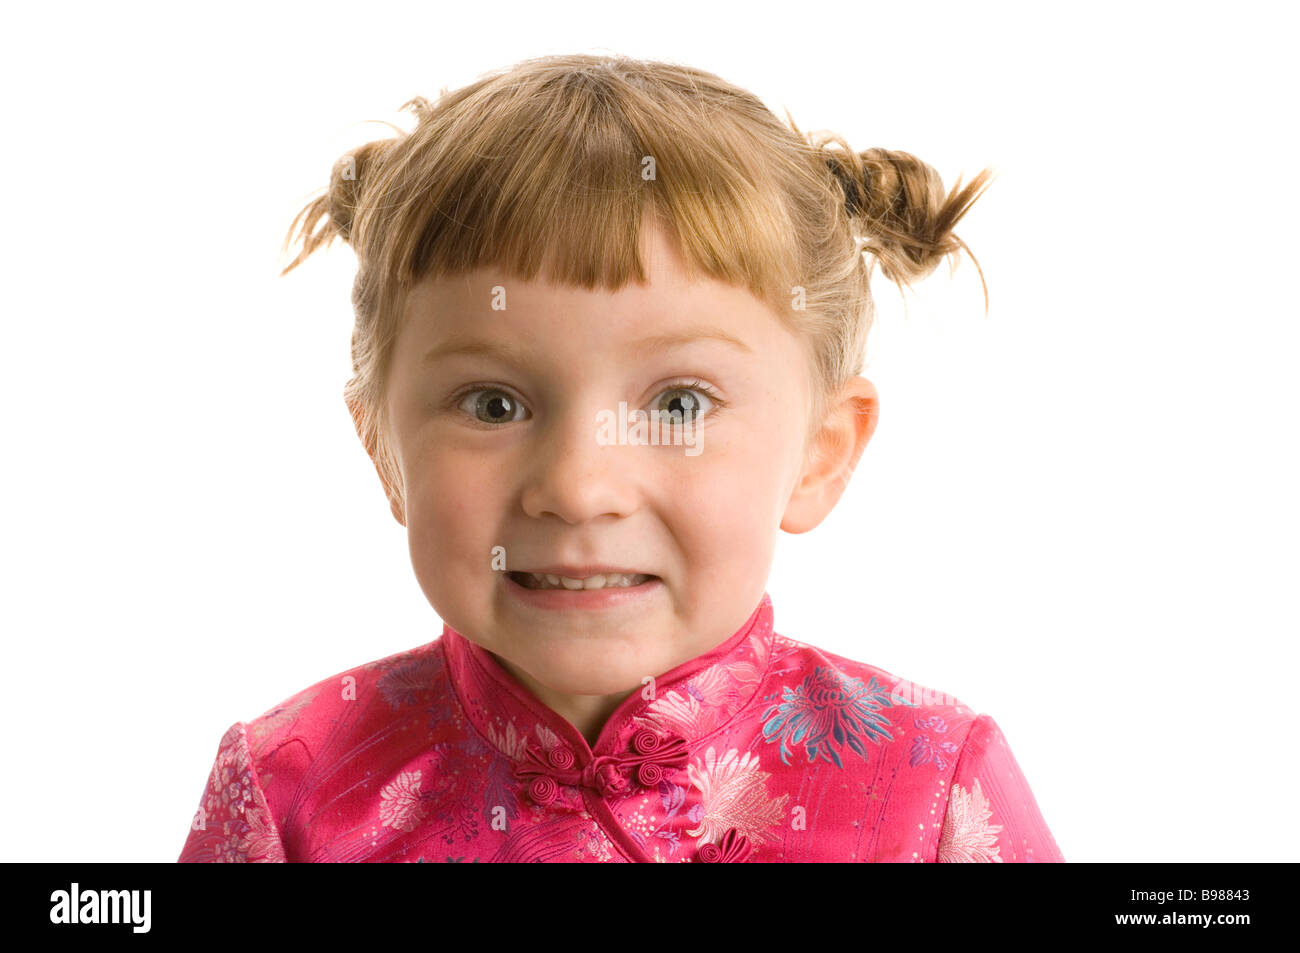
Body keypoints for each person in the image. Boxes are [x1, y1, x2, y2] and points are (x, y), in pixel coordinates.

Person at [178, 52, 1063, 863]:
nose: (578, 486)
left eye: (679, 404)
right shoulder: (288, 796)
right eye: (494, 404)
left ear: (821, 453)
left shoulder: (931, 793)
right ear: (381, 443)